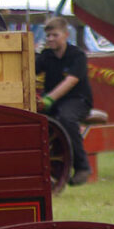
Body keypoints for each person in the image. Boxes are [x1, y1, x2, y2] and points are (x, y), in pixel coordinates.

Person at [37, 15, 95, 186]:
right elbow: (29, 69)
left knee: (66, 119)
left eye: (55, 35)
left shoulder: (77, 55)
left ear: (65, 34)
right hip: (55, 102)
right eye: (48, 36)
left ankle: (82, 167)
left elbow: (71, 81)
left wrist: (48, 99)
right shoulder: (46, 56)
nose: (50, 39)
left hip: (78, 100)